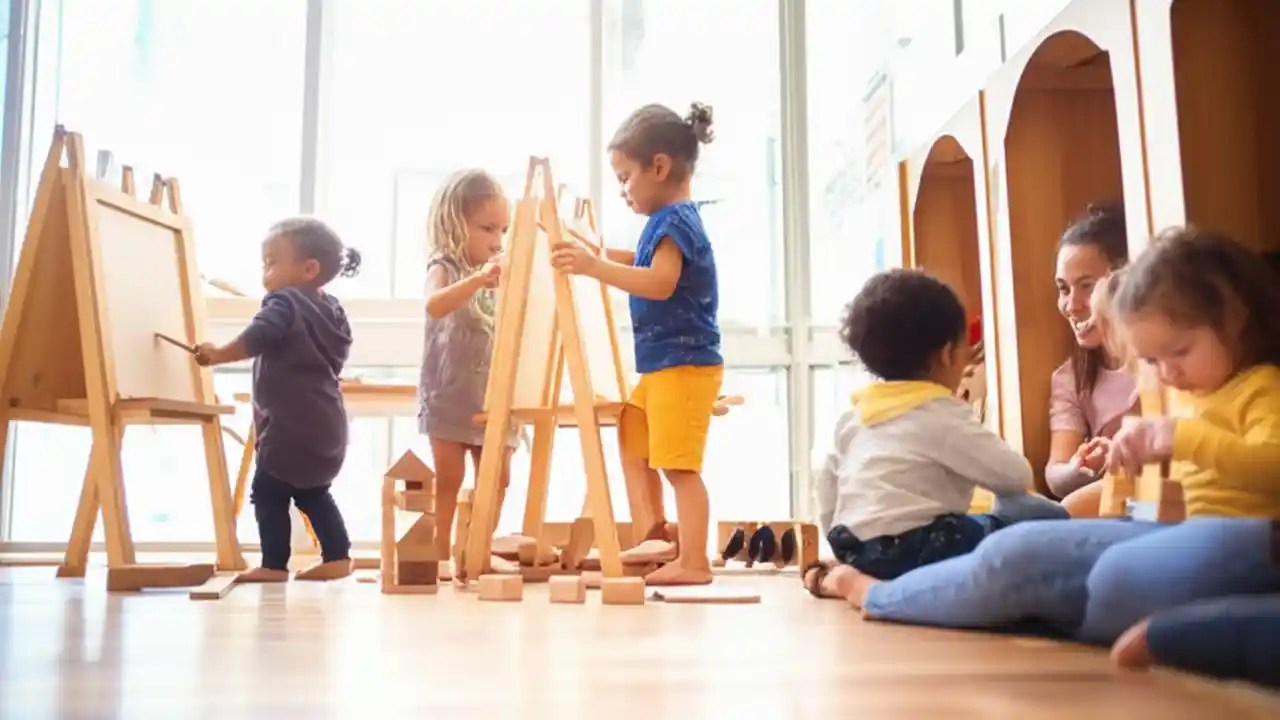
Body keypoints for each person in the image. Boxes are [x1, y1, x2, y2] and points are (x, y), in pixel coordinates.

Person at [806, 227, 1280, 646]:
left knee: (1077, 570)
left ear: (1234, 318)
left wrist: (1184, 440)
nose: (1167, 373)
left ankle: (884, 594)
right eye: (1153, 362)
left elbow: (1266, 467)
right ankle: (894, 595)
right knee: (1018, 546)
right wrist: (1131, 453)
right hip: (1171, 530)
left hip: (1240, 538)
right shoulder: (1191, 391)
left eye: (1178, 352)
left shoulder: (1260, 389)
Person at [551, 102, 721, 586]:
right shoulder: (663, 223)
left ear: (660, 167)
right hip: (666, 365)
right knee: (634, 427)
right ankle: (659, 535)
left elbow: (660, 282)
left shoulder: (676, 222)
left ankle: (694, 561)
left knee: (678, 465)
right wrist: (597, 253)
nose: (623, 190)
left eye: (625, 177)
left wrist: (594, 268)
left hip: (684, 364)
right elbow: (643, 260)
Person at [807, 270, 1067, 585]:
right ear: (947, 354)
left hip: (854, 549)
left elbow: (826, 484)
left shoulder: (854, 416)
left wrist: (843, 537)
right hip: (922, 549)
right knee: (1028, 513)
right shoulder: (940, 412)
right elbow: (1015, 476)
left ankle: (856, 580)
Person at [196, 217, 361, 582]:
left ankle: (273, 564)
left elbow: (258, 337)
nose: (264, 273)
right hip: (327, 420)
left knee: (267, 491)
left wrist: (218, 355)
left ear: (308, 269)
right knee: (312, 491)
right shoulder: (332, 310)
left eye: (271, 263)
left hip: (291, 423)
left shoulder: (284, 302)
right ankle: (338, 555)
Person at [418, 169, 519, 575]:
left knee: (498, 478)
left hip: (493, 395)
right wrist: (477, 280)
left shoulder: (501, 273)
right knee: (449, 476)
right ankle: (440, 552)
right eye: (487, 229)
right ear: (454, 224)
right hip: (450, 392)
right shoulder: (445, 266)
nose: (497, 241)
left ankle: (477, 548)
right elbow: (434, 304)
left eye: (504, 231)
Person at [1046, 204, 1139, 517]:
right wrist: (1080, 467)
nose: (1072, 305)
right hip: (1108, 499)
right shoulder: (1070, 377)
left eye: (1087, 286)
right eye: (1063, 289)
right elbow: (1055, 473)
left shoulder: (1162, 359)